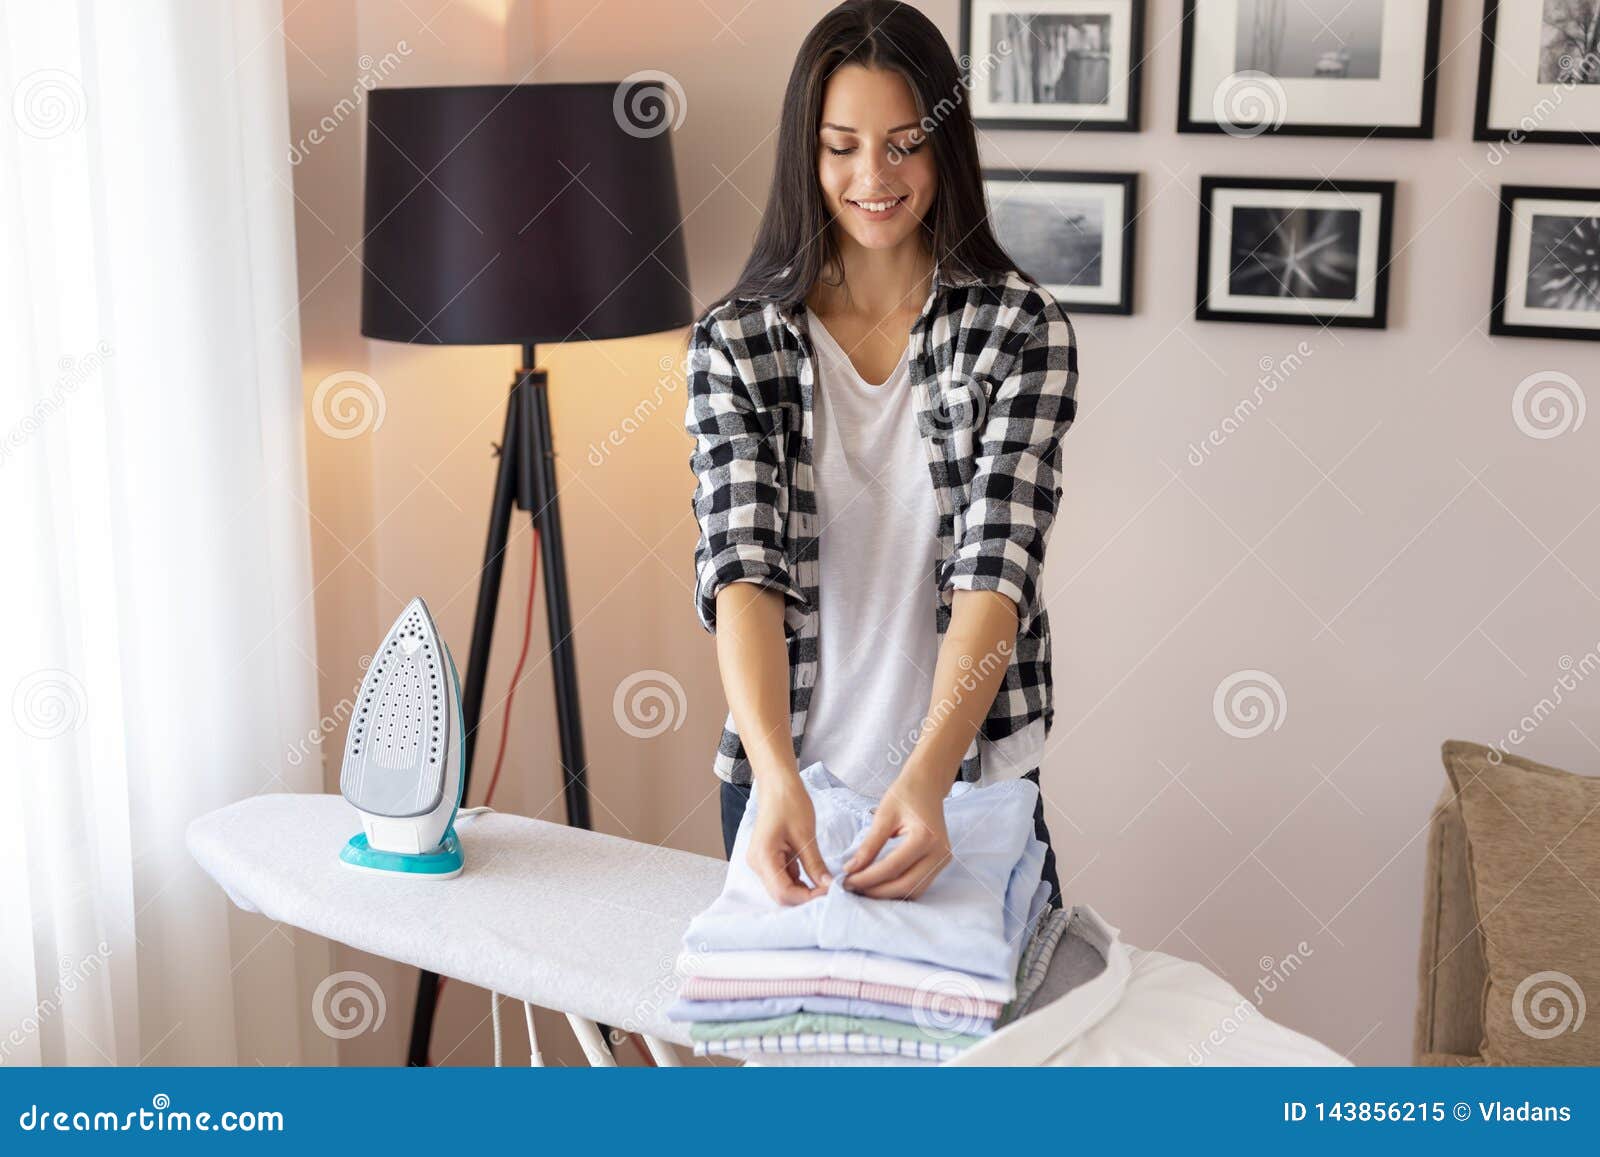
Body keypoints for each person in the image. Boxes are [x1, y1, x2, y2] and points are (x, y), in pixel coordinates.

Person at [683, 0, 1078, 911]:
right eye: (842, 145)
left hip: (967, 785)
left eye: (905, 142)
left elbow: (997, 567)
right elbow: (742, 571)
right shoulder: (736, 342)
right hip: (787, 785)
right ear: (806, 153)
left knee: (1009, 1048)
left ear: (945, 146)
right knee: (800, 1052)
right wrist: (777, 779)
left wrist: (929, 778)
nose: (874, 175)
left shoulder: (1019, 331)